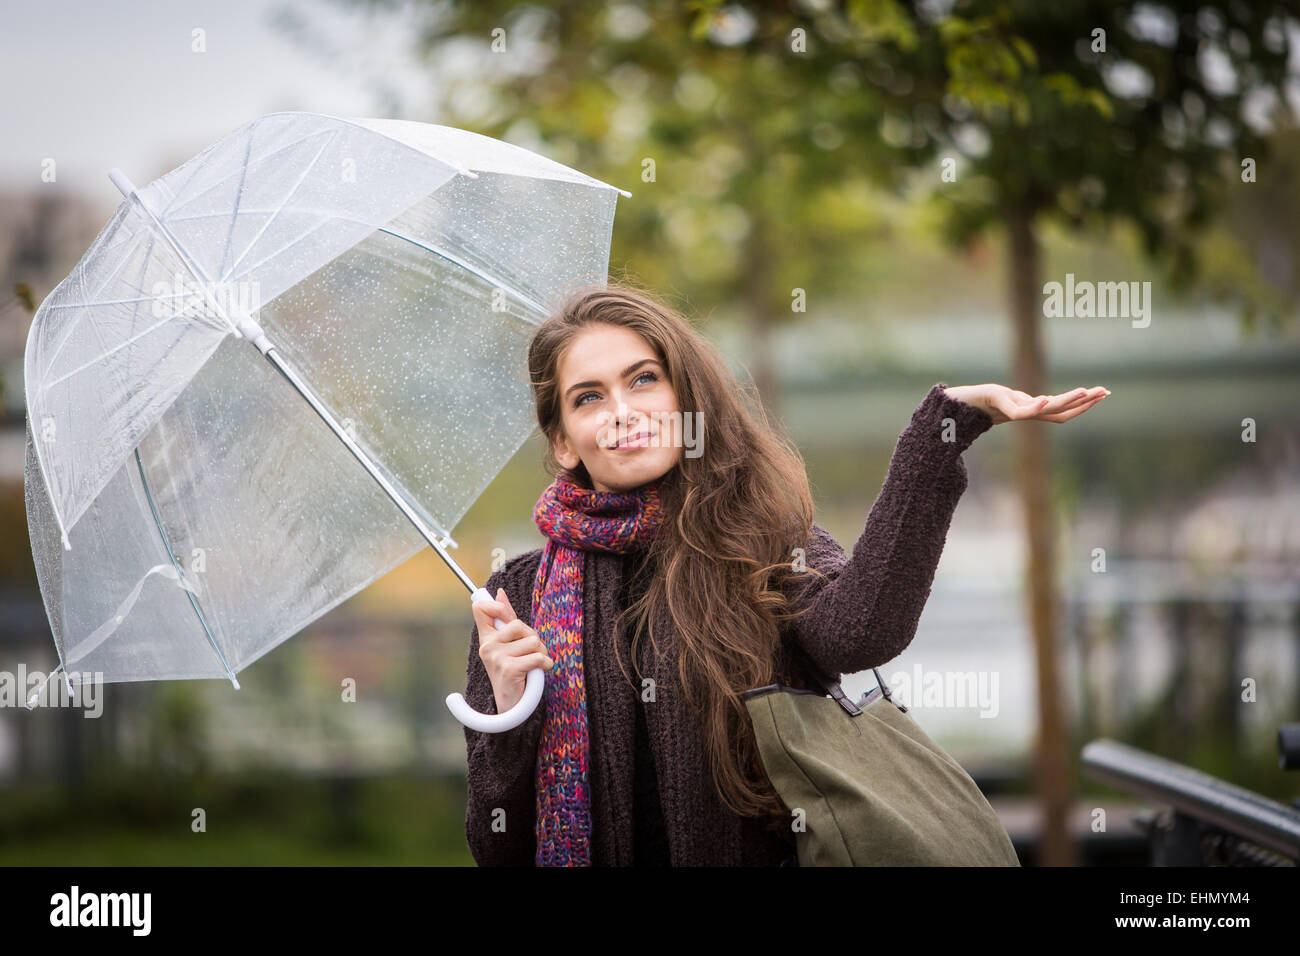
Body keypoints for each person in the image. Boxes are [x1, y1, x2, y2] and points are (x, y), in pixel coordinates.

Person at [463, 281, 1107, 866]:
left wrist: (944, 428)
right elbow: (497, 848)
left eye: (643, 380)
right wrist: (508, 713)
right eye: (588, 398)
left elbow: (858, 635)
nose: (622, 411)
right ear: (563, 441)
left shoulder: (760, 538)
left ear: (687, 396)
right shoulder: (515, 601)